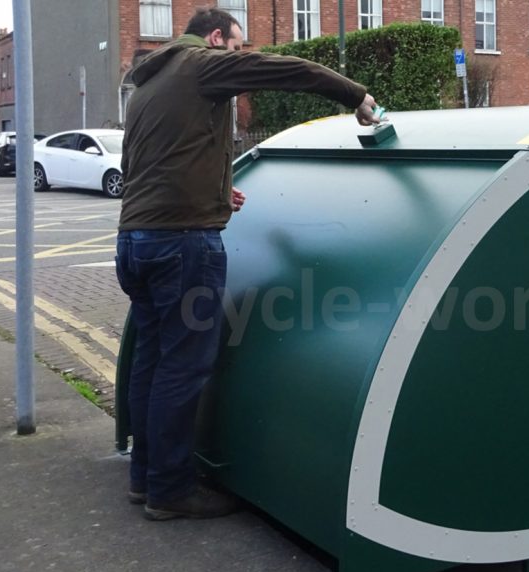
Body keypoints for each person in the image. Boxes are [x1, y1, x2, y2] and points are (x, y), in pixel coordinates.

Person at [115, 7, 380, 521]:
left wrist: (214, 191)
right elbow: (290, 69)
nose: (239, 57)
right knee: (183, 367)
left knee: (151, 360)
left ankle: (145, 477)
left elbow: (150, 161)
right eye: (237, 45)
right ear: (217, 38)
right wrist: (357, 96)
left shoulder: (150, 82)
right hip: (182, 246)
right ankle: (169, 491)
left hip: (137, 241)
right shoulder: (204, 64)